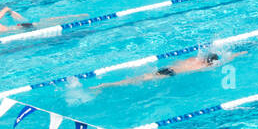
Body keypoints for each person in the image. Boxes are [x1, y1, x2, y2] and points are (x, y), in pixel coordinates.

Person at [93, 50, 239, 90]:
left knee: (139, 77)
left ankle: (108, 84)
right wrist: (235, 55)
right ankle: (107, 85)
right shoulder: (202, 67)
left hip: (168, 68)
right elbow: (223, 61)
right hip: (170, 74)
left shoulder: (193, 59)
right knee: (136, 80)